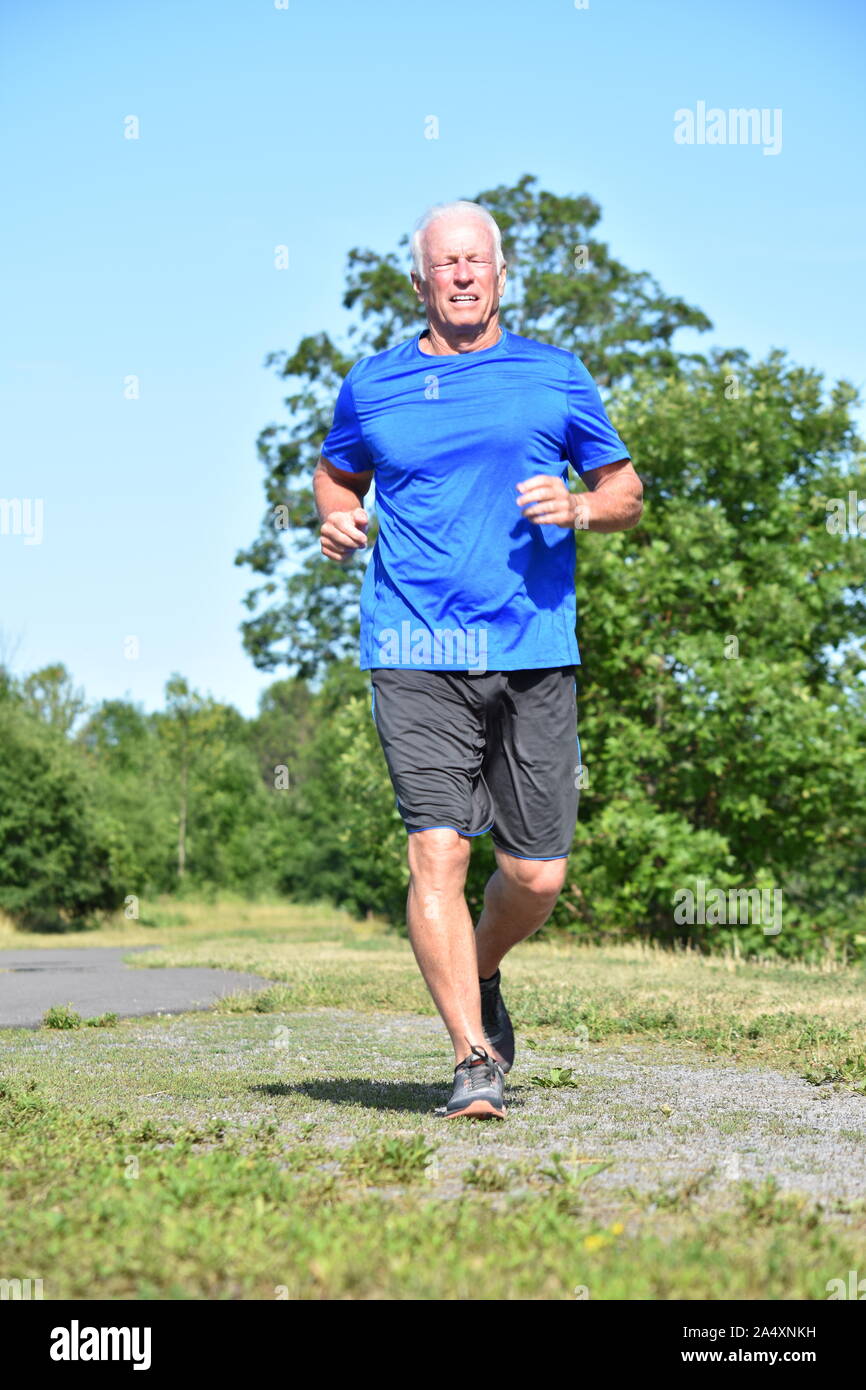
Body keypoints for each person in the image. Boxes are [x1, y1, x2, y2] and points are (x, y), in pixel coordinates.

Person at [314, 200, 643, 1118]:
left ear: (499, 274)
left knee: (537, 874)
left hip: (533, 646)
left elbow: (625, 490)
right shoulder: (374, 384)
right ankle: (472, 1059)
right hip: (414, 644)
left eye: (475, 261)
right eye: (442, 264)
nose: (460, 275)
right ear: (420, 283)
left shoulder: (553, 376)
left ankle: (478, 968)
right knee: (437, 850)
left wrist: (578, 507)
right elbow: (337, 473)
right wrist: (333, 515)